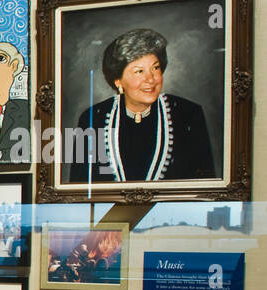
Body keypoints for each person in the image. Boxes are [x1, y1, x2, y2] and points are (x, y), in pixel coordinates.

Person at [71, 27, 215, 183]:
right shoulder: (92, 118)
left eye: (155, 68)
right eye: (139, 71)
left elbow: (205, 185)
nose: (151, 79)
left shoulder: (188, 115)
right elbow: (79, 187)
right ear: (118, 80)